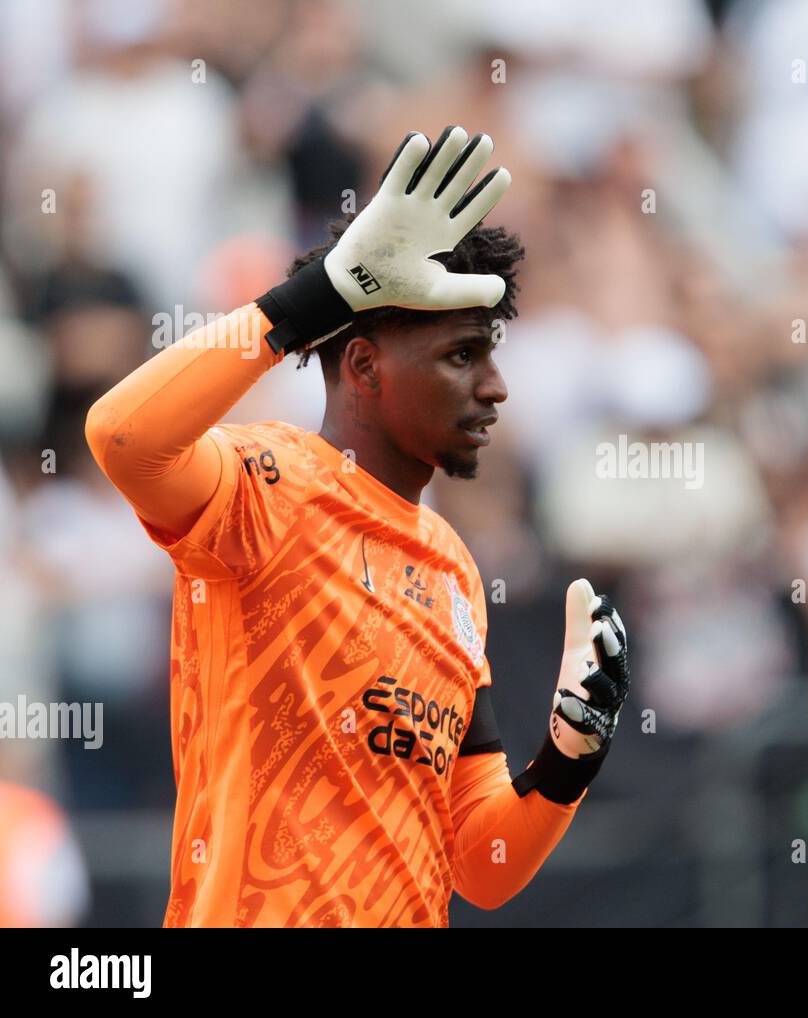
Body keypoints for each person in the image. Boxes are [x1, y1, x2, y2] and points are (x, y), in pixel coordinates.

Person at [84, 128, 630, 927]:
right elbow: (123, 436)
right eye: (462, 356)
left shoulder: (452, 569)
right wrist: (323, 297)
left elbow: (481, 868)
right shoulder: (264, 488)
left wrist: (568, 759)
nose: (497, 386)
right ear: (366, 368)